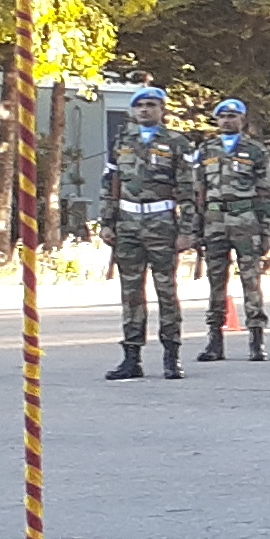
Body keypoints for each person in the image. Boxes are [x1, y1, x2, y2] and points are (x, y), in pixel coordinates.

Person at [101, 88, 191, 381]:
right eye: (139, 106)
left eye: (150, 105)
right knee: (131, 293)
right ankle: (131, 357)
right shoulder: (122, 141)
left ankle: (171, 356)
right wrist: (107, 222)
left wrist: (188, 229)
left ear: (162, 109)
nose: (144, 110)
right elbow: (111, 182)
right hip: (128, 223)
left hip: (161, 222)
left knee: (166, 290)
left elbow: (188, 189)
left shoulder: (176, 142)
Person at [193, 97, 270, 364]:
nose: (228, 120)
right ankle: (215, 341)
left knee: (251, 280)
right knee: (216, 280)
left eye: (233, 116)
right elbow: (198, 191)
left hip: (245, 217)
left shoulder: (256, 151)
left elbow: (265, 191)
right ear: (217, 121)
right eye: (223, 117)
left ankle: (256, 340)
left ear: (242, 120)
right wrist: (195, 228)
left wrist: (268, 230)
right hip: (214, 218)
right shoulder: (206, 150)